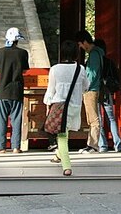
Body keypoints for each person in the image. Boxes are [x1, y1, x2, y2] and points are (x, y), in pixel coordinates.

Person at [44, 39, 89, 176]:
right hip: (74, 105)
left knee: (62, 136)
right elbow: (86, 87)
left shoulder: (55, 69)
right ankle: (58, 155)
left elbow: (50, 90)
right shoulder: (80, 69)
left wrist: (47, 104)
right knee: (65, 132)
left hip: (59, 106)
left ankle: (67, 166)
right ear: (76, 53)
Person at [0, 27, 30, 153]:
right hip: (17, 89)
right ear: (18, 40)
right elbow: (24, 70)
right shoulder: (23, 53)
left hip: (2, 90)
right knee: (17, 119)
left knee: (0, 120)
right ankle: (15, 146)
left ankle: (0, 147)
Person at [94, 37, 121, 152]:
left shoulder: (92, 61)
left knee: (99, 119)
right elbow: (116, 77)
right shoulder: (109, 62)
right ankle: (118, 144)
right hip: (106, 92)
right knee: (111, 119)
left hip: (95, 91)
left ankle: (102, 145)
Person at [75, 30, 104, 153]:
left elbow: (91, 74)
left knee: (93, 118)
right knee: (91, 117)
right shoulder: (98, 52)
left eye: (81, 44)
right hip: (93, 88)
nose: (81, 47)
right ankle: (91, 143)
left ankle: (93, 144)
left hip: (91, 89)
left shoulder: (94, 54)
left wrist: (85, 87)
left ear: (85, 42)